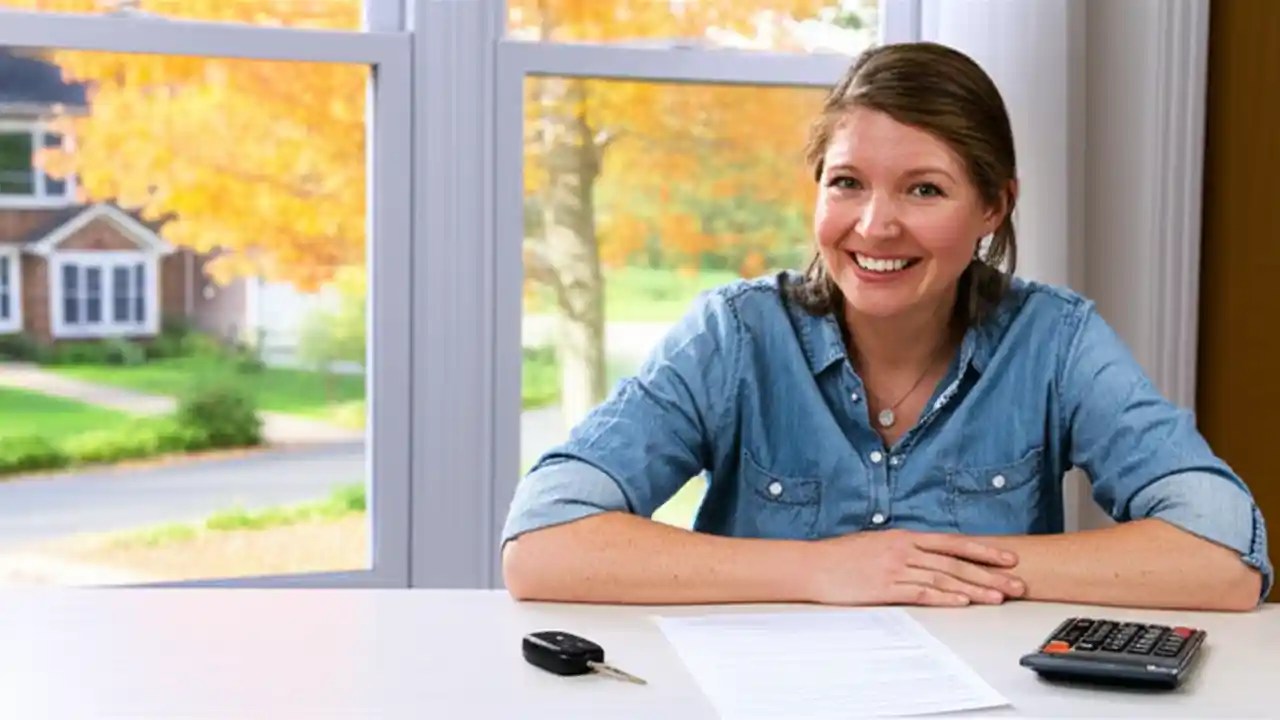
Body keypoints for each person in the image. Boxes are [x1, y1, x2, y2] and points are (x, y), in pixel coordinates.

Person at [500, 41, 1272, 611]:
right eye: (847, 183)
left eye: (924, 189)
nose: (875, 225)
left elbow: (1223, 554)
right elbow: (543, 542)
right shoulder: (735, 337)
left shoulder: (1056, 341)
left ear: (994, 206)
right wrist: (820, 569)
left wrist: (935, 569)